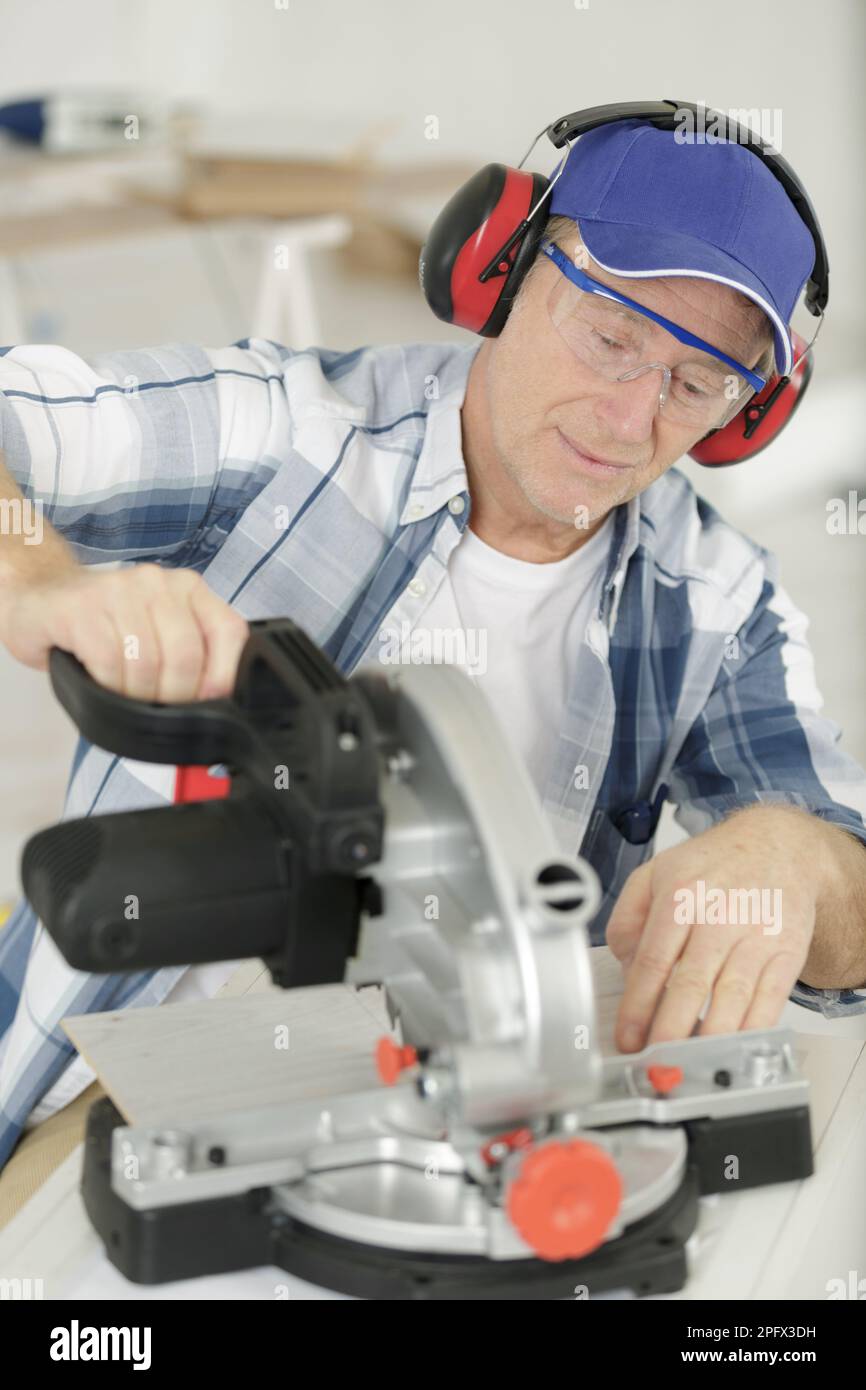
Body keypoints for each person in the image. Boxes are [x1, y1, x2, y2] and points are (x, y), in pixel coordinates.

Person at [0, 116, 864, 1176]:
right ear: (499, 270)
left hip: (463, 1132)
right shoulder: (281, 432)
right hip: (110, 1085)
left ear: (744, 416)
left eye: (695, 384)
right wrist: (37, 580)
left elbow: (851, 915)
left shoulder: (714, 599)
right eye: (610, 336)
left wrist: (793, 860)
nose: (632, 417)